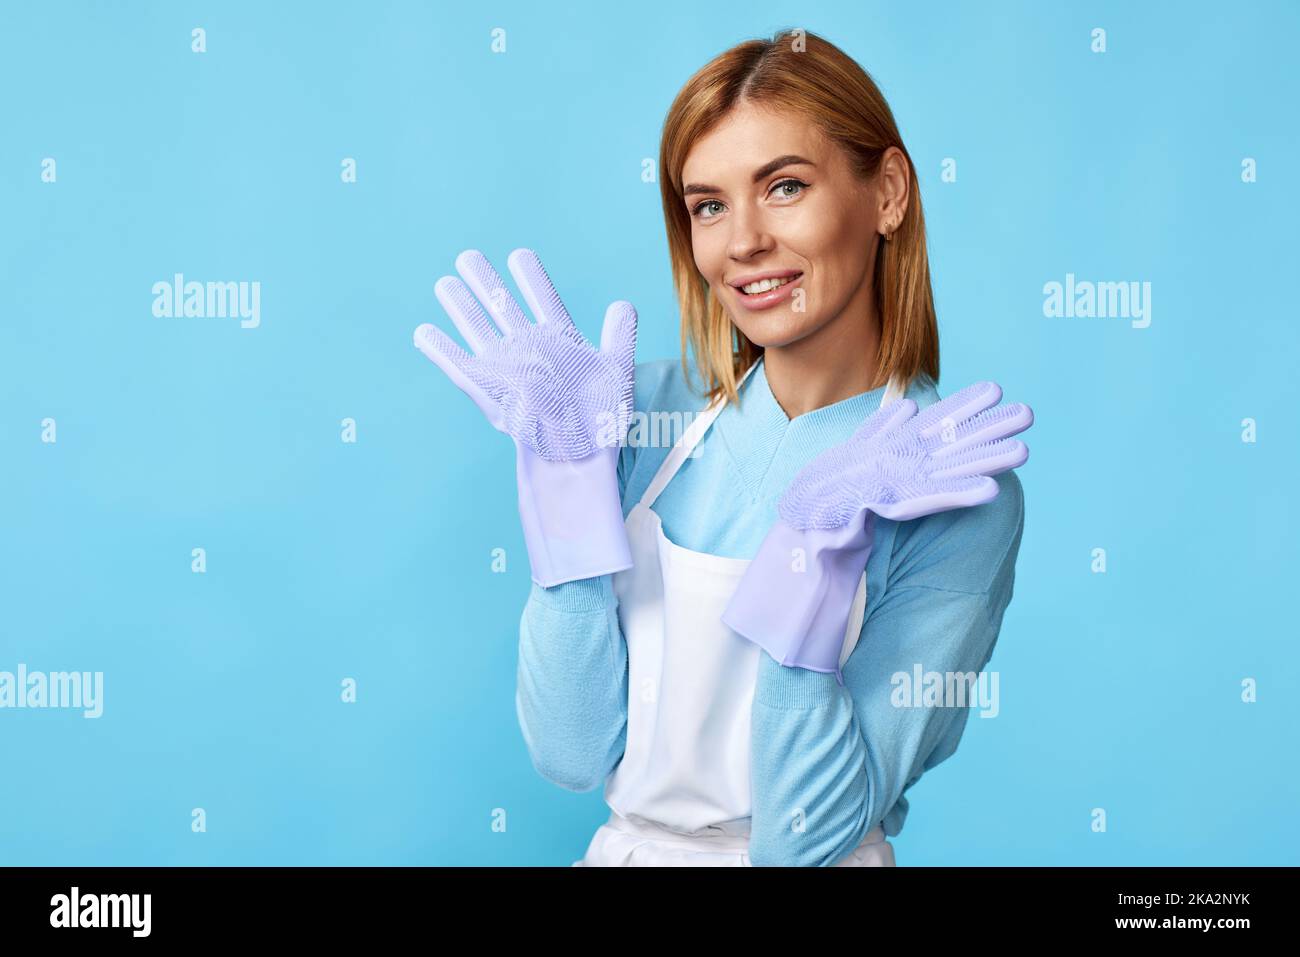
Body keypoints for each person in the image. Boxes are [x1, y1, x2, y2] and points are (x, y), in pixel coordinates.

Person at [414, 28, 1032, 867]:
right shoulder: (634, 413)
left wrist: (811, 560)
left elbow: (805, 836)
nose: (742, 242)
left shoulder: (946, 480)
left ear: (887, 193)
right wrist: (569, 494)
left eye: (783, 186)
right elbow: (569, 754)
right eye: (709, 205)